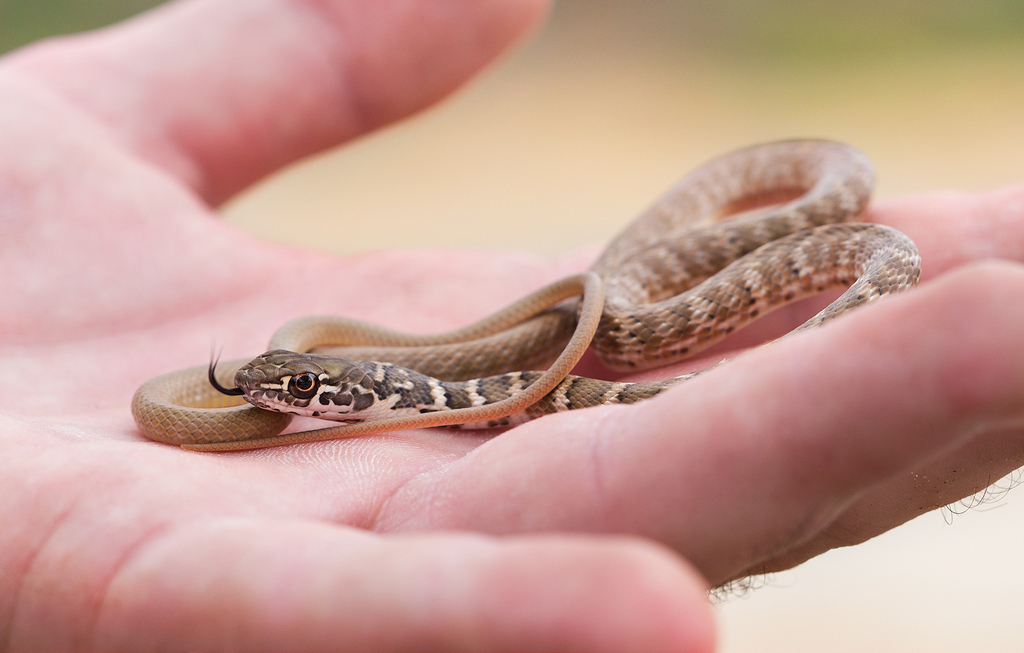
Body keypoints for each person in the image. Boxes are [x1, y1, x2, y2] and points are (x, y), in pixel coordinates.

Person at [1, 1, 1022, 650]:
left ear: (364, 391)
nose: (283, 397)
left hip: (768, 265)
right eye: (293, 387)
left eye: (304, 386)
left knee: (662, 303)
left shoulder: (480, 373)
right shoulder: (390, 388)